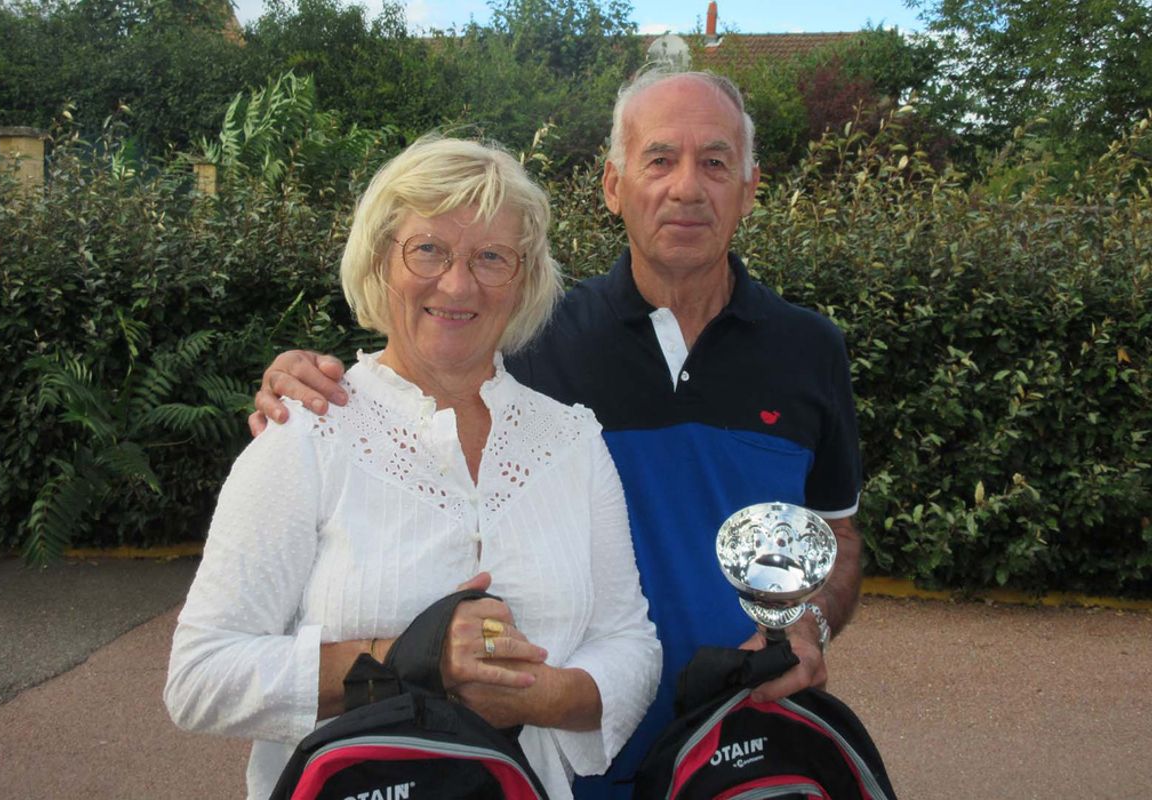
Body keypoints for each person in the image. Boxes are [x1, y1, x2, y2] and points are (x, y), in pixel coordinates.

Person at [251, 67, 864, 800]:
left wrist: (811, 627)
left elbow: (838, 538)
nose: (687, 187)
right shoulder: (533, 341)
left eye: (715, 162)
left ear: (750, 188)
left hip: (741, 745)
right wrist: (306, 379)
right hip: (567, 761)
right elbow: (414, 363)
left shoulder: (811, 349)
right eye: (660, 159)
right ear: (613, 186)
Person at [164, 135, 661, 800]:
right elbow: (200, 678)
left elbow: (629, 643)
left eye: (491, 257)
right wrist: (406, 663)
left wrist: (533, 695)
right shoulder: (307, 431)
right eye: (428, 249)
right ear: (380, 262)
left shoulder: (571, 441)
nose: (457, 283)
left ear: (525, 279)